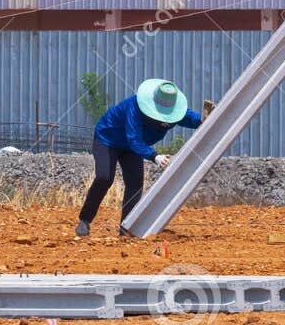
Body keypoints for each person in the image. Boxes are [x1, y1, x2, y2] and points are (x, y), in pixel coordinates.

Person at [76, 79, 203, 237]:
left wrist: (202, 119)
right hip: (108, 139)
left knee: (135, 183)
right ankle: (84, 220)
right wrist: (154, 156)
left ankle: (126, 227)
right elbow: (134, 139)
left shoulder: (173, 112)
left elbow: (188, 117)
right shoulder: (134, 106)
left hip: (131, 148)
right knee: (104, 177)